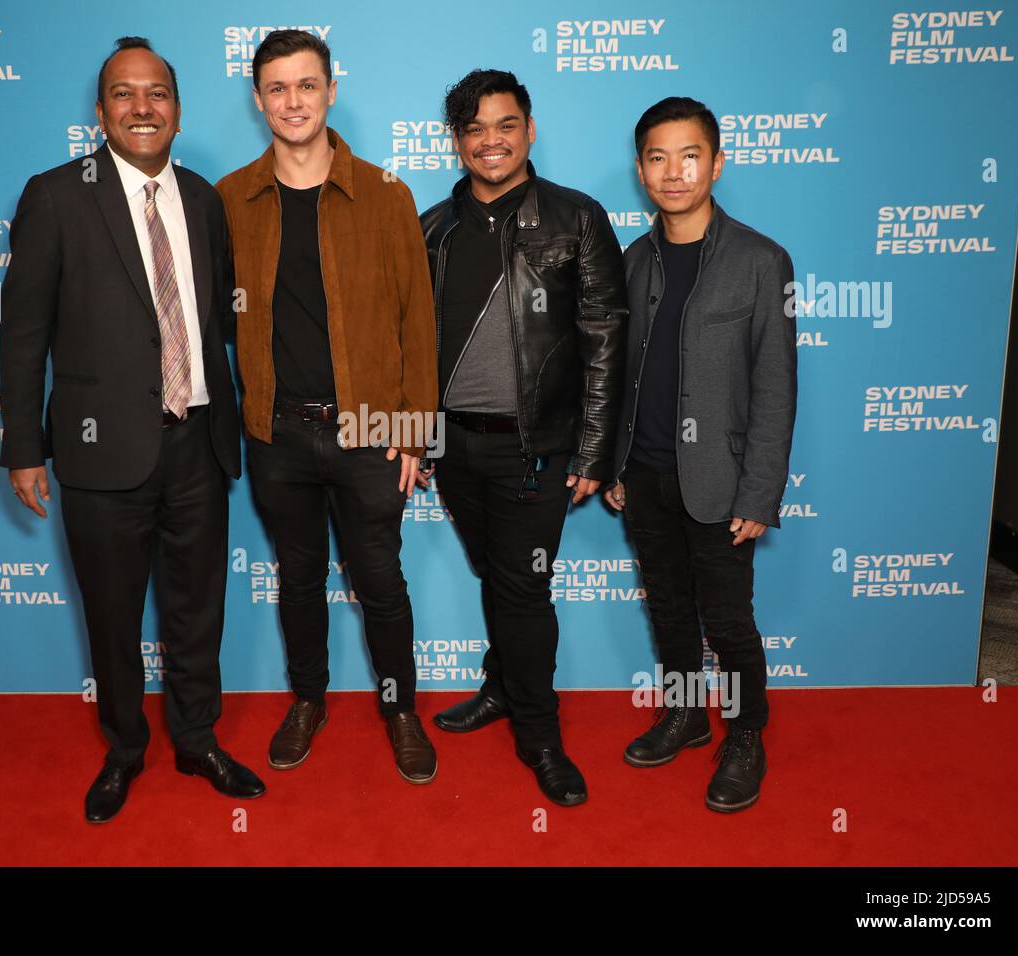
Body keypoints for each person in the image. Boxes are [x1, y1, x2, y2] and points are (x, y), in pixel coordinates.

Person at [0, 36, 265, 823]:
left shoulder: (205, 198)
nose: (142, 107)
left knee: (197, 607)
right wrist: (23, 448)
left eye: (156, 94)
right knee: (113, 615)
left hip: (198, 443)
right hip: (97, 449)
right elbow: (23, 335)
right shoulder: (54, 196)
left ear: (178, 112)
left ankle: (197, 739)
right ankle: (123, 751)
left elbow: (219, 322)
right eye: (124, 94)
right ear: (100, 111)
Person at [215, 30, 440, 783]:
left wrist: (413, 430)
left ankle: (400, 708)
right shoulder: (231, 201)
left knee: (381, 577)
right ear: (258, 99)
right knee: (299, 577)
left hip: (373, 430)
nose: (292, 101)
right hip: (277, 431)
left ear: (330, 90)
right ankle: (308, 699)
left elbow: (418, 322)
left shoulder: (384, 194)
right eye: (277, 88)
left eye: (306, 85)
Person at [418, 69, 628, 806]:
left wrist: (597, 451)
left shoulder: (577, 219)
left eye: (504, 124)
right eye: (474, 129)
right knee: (499, 578)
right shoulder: (432, 229)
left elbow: (604, 339)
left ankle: (540, 736)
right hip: (452, 449)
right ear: (457, 141)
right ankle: (501, 688)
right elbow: (409, 348)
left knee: (523, 590)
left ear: (530, 129)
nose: (490, 141)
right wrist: (415, 438)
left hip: (536, 450)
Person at [604, 96, 797, 813]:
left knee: (728, 618)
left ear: (716, 163)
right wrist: (619, 462)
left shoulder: (760, 260)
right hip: (647, 474)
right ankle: (685, 714)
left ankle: (745, 733)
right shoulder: (632, 259)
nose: (673, 171)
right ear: (641, 170)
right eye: (657, 157)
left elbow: (775, 388)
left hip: (720, 481)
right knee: (672, 611)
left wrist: (759, 493)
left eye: (689, 156)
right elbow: (623, 371)